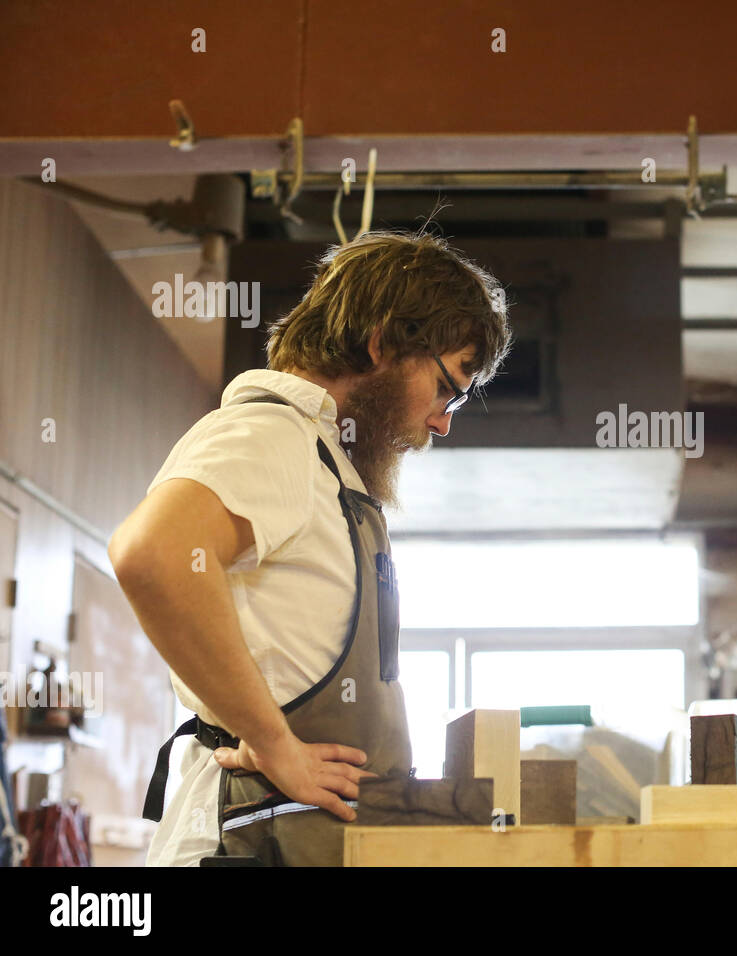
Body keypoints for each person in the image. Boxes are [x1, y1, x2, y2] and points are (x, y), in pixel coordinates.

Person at [109, 230, 512, 865]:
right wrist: (273, 743)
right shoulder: (274, 434)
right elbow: (152, 555)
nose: (443, 420)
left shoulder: (324, 459)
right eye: (446, 388)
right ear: (383, 343)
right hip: (250, 840)